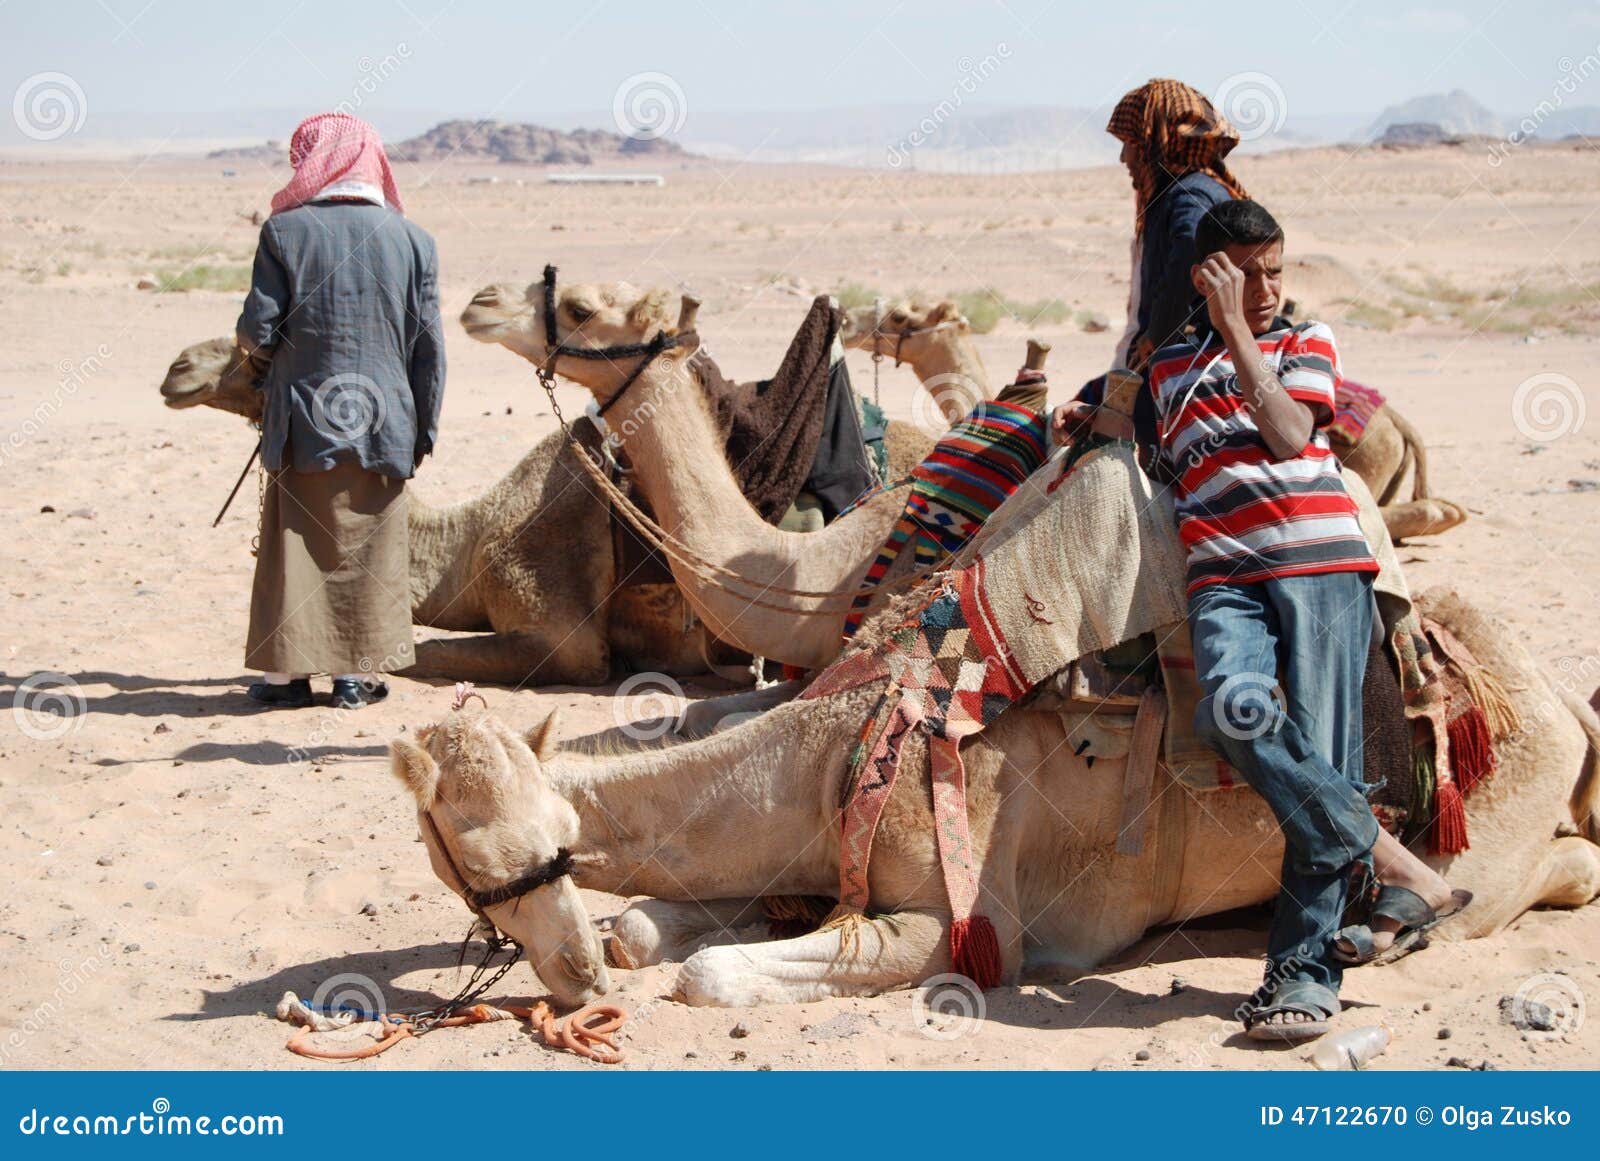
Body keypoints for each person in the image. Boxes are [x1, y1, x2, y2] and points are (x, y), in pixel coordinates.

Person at [1147, 199, 1469, 1041]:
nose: (1264, 286)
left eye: (1274, 269)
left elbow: (1290, 435)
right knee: (1232, 707)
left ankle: (1304, 976)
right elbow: (1151, 451)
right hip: (1224, 578)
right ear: (1205, 274)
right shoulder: (1166, 367)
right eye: (1243, 272)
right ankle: (1396, 865)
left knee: (1320, 754)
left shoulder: (1303, 341)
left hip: (1319, 564)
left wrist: (1242, 334)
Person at [235, 112, 445, 710]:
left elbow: (258, 329)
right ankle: (358, 677)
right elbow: (429, 349)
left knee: (296, 544)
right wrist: (422, 427)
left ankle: (287, 681)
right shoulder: (413, 240)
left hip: (303, 421)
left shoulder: (283, 233)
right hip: (384, 421)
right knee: (371, 549)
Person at [1052, 78, 1250, 454]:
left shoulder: (1190, 197)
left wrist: (1158, 333)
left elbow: (1191, 249)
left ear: (1155, 144)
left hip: (1178, 367)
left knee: (1087, 445)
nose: (1124, 158)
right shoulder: (1184, 194)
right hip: (1166, 359)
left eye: (1131, 144)